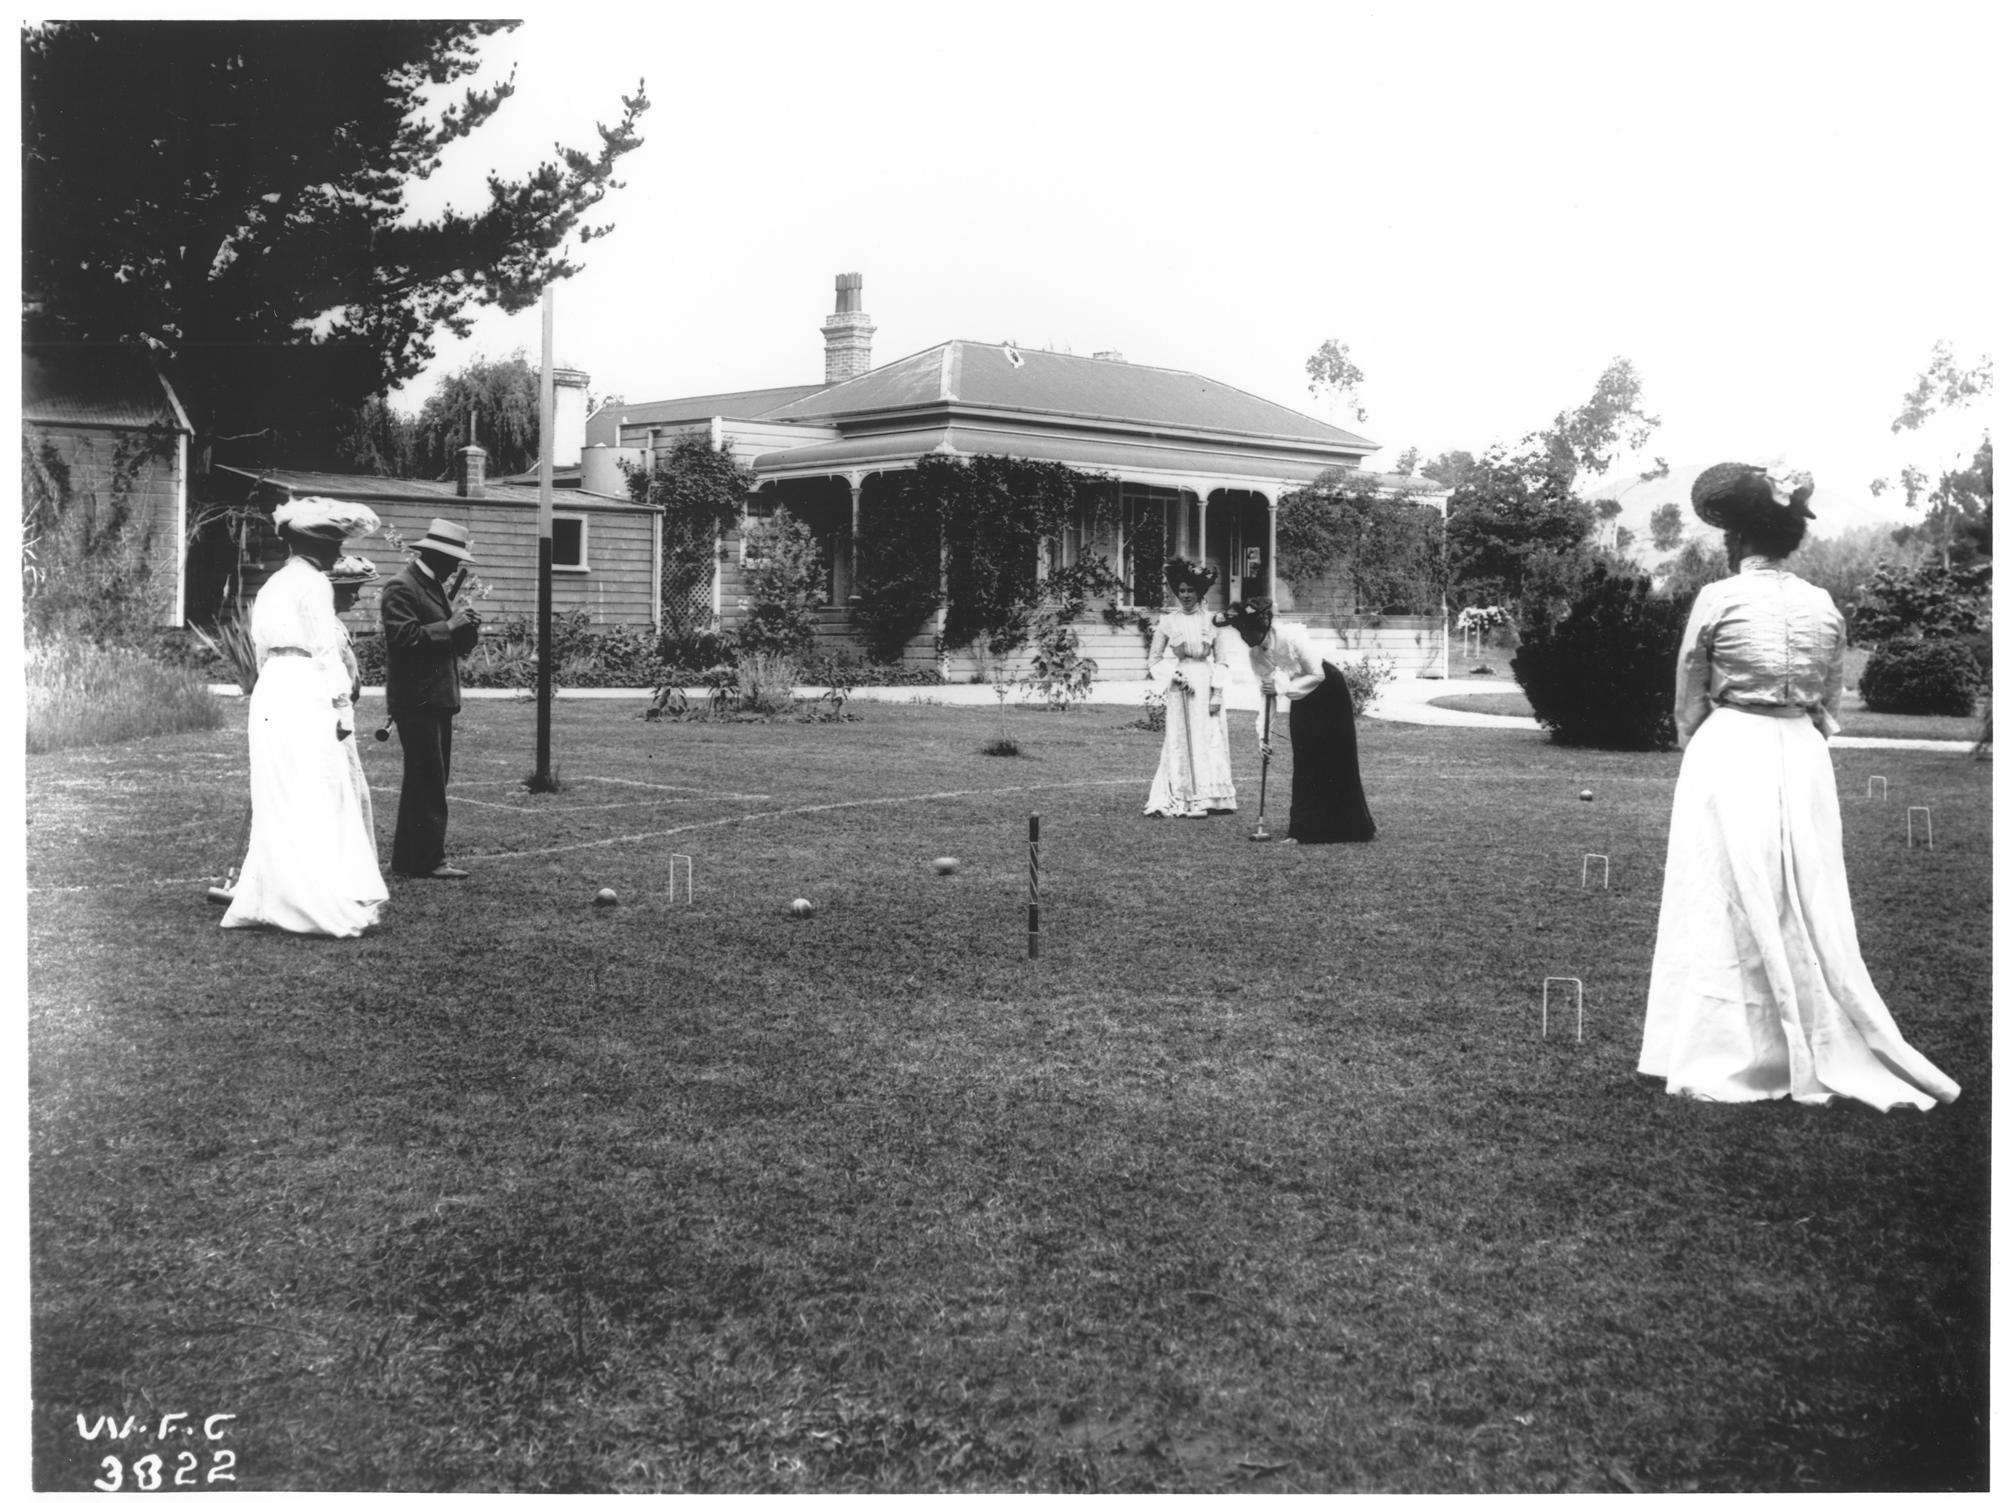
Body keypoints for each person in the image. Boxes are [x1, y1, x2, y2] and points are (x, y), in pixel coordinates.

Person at [1639, 463, 1958, 1110]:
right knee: (1807, 895)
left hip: (1732, 745)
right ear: (1789, 537)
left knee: (1722, 892)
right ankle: (1802, 1038)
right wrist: (1801, 736)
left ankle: (1722, 1047)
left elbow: (1689, 686)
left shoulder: (1718, 597)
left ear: (1737, 539)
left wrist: (1697, 739)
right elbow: (1830, 700)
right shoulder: (1822, 603)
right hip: (1802, 751)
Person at [220, 498, 388, 938]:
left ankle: (274, 897)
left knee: (280, 790)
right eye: (334, 545)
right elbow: (325, 649)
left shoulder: (273, 583)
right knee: (316, 788)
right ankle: (314, 901)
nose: (338, 553)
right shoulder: (314, 584)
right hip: (305, 684)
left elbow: (260, 649)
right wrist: (342, 706)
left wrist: (273, 685)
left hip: (273, 687)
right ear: (315, 546)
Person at [1221, 597, 1375, 843]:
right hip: (1301, 698)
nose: (1247, 638)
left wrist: (1282, 687)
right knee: (1304, 758)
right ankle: (1303, 830)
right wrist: (1264, 737)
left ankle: (1351, 827)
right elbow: (1267, 694)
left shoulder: (1290, 637)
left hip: (1330, 692)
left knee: (1338, 756)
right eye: (1243, 634)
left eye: (1250, 632)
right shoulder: (1255, 655)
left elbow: (1317, 674)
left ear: (1263, 626)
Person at [380, 518, 481, 879]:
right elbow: (403, 639)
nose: (456, 567)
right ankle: (426, 860)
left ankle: (410, 860)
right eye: (453, 560)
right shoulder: (401, 587)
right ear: (435, 555)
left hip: (435, 699)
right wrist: (449, 625)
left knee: (426, 781)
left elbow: (448, 644)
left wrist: (465, 629)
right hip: (416, 700)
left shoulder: (432, 586)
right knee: (428, 781)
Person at [1144, 557, 1237, 818]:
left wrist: (1217, 692)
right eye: (1181, 590)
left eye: (1190, 590)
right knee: (1182, 738)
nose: (1185, 595)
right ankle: (1185, 795)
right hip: (1181, 686)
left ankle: (1212, 798)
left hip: (1206, 684)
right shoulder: (1168, 622)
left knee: (1209, 737)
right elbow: (1154, 660)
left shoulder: (1213, 621)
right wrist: (1174, 676)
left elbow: (1222, 661)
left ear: (1199, 591)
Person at [328, 553, 380, 864]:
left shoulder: (334, 624)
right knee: (339, 792)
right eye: (351, 591)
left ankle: (355, 865)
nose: (357, 597)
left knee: (352, 789)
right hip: (333, 724)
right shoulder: (324, 631)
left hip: (343, 720)